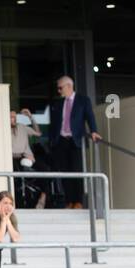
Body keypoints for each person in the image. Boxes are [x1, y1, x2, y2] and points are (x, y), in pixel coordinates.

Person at [46, 75, 101, 210]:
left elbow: (90, 116)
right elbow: (53, 124)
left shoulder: (83, 100)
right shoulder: (59, 103)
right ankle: (69, 201)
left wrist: (93, 131)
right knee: (65, 172)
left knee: (77, 171)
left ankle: (78, 201)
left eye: (60, 88)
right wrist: (52, 140)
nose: (59, 91)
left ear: (69, 86)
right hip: (61, 141)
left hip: (75, 141)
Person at [10, 109, 43, 209]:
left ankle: (43, 199)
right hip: (12, 159)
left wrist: (30, 117)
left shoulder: (22, 127)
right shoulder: (3, 129)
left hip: (26, 157)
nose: (14, 119)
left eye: (15, 117)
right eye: (11, 117)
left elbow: (38, 133)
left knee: (44, 170)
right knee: (16, 180)